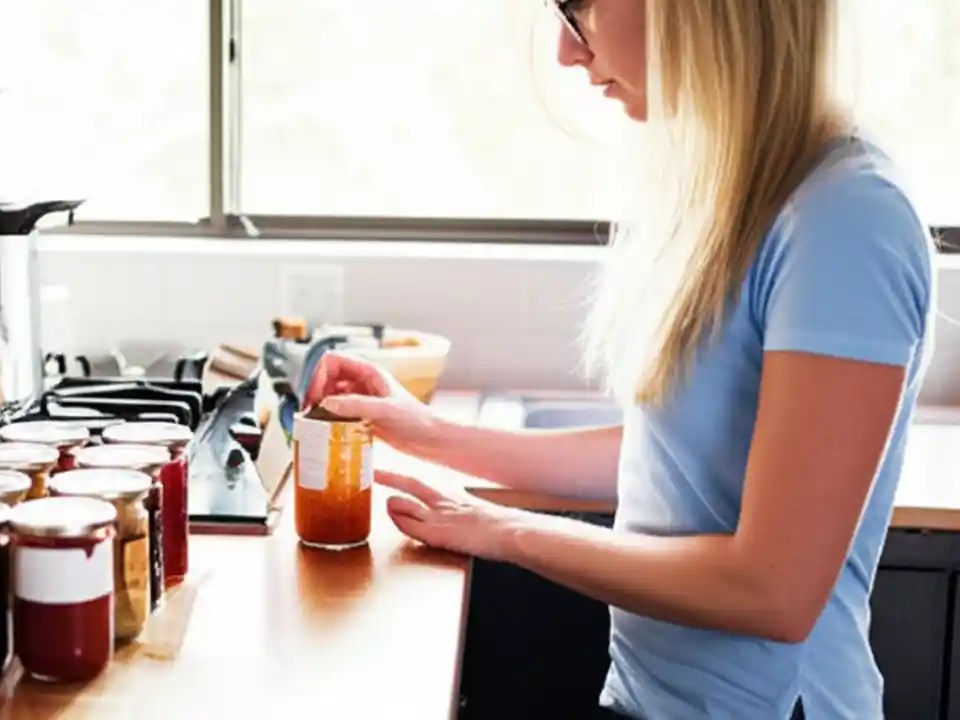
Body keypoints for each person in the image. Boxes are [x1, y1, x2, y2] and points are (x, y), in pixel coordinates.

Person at [304, 1, 937, 718]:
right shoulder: (746, 191)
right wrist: (430, 434)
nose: (569, 53)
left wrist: (503, 531)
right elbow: (674, 464)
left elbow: (773, 590)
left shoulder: (846, 218)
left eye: (579, 8)